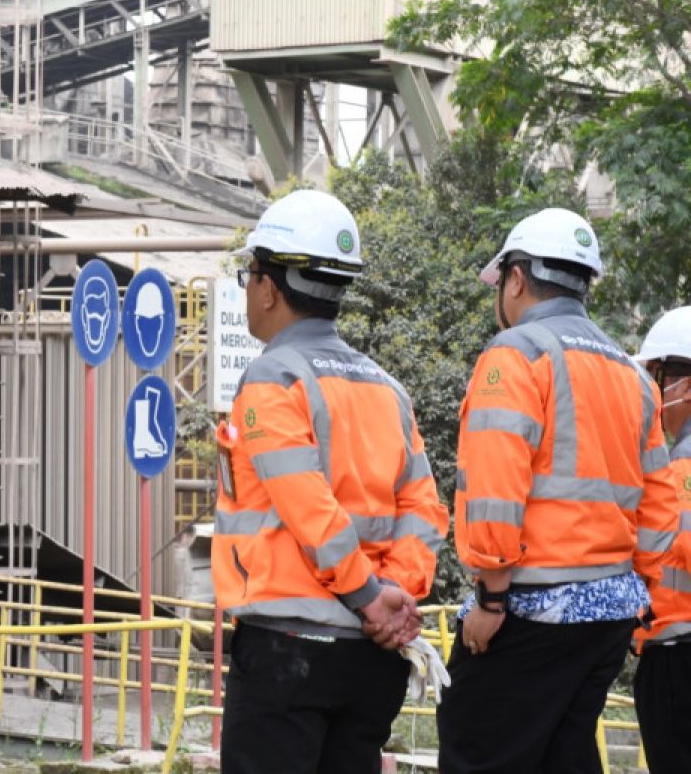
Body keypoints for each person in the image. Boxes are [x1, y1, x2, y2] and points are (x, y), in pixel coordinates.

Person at [212, 189, 448, 774]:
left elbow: (309, 510)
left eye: (250, 274)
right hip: (371, 662)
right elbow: (424, 508)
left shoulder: (273, 377)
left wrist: (370, 599)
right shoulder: (386, 388)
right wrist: (392, 599)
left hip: (288, 652)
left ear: (269, 286)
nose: (248, 289)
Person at [438, 208, 682, 773]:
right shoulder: (630, 374)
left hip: (529, 609)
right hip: (608, 613)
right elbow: (658, 501)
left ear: (516, 278)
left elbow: (496, 486)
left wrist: (491, 598)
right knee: (564, 757)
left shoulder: (517, 353)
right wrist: (636, 591)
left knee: (478, 749)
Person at [631, 306, 691, 773]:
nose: (651, 393)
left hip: (678, 663)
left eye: (656, 377)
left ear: (684, 386)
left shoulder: (680, 473)